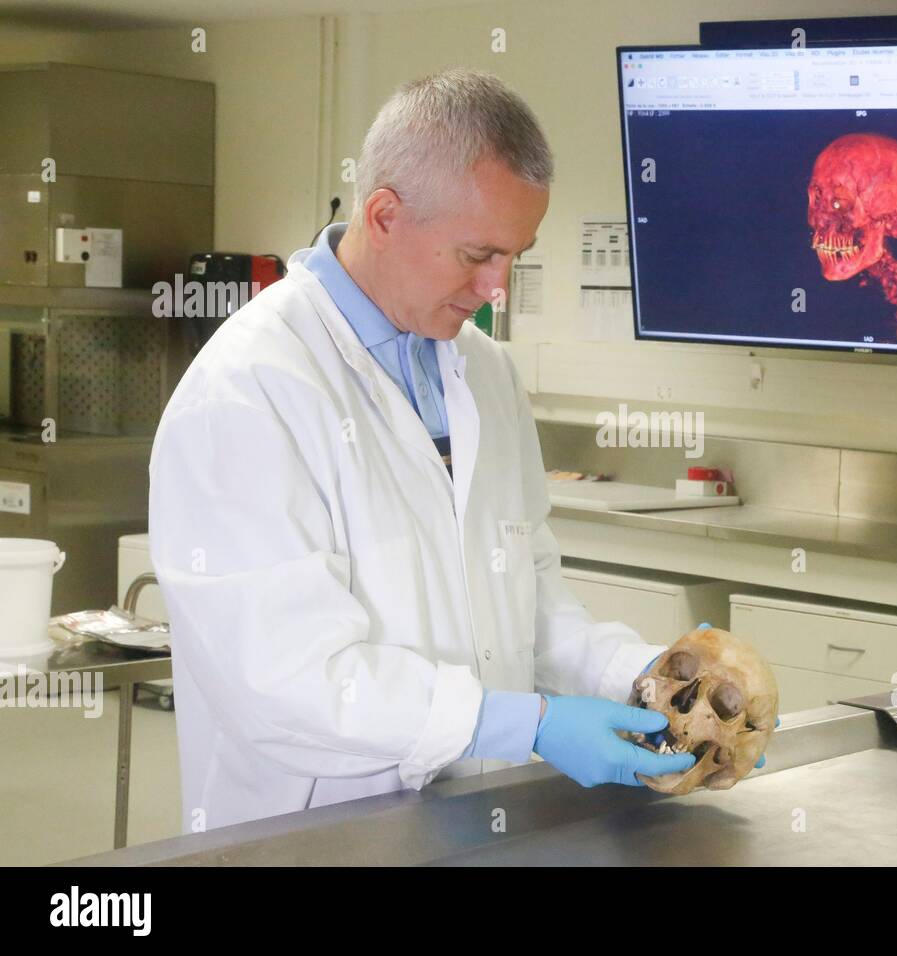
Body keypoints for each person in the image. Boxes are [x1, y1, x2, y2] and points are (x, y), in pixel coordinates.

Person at [149, 69, 694, 832]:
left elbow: (530, 600)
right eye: (477, 254)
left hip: (475, 819)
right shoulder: (249, 391)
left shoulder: (486, 374)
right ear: (383, 215)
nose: (498, 286)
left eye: (515, 255)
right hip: (318, 831)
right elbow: (284, 680)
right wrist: (524, 724)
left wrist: (653, 678)